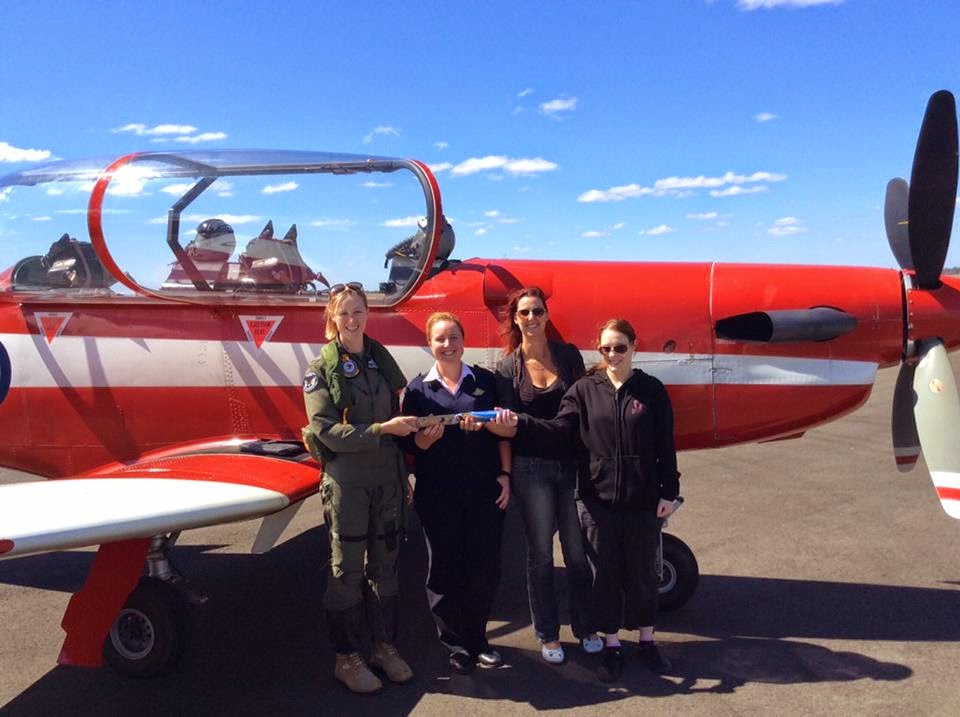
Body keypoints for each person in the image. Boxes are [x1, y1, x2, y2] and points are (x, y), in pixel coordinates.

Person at [491, 318, 680, 682]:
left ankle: (647, 639)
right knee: (603, 574)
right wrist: (523, 422)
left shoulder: (651, 390)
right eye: (606, 348)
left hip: (641, 500)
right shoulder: (584, 389)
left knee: (642, 573)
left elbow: (664, 446)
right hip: (596, 499)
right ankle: (611, 643)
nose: (613, 355)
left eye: (620, 347)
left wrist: (668, 493)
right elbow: (561, 430)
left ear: (634, 347)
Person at [302, 282, 420, 694]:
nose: (352, 320)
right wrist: (379, 430)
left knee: (385, 569)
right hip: (347, 482)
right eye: (344, 313)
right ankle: (347, 658)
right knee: (347, 572)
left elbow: (399, 414)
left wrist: (402, 472)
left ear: (368, 313)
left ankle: (384, 647)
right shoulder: (320, 371)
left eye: (358, 311)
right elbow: (326, 431)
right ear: (332, 319)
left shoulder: (379, 361)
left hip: (385, 479)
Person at [494, 287, 602, 664]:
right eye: (524, 312)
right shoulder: (507, 369)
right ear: (515, 319)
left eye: (537, 311)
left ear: (546, 315)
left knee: (576, 551)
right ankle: (548, 634)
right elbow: (506, 430)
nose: (531, 318)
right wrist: (507, 469)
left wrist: (528, 423)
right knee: (539, 553)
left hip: (572, 467)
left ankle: (586, 626)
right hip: (530, 470)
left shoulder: (569, 356)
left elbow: (584, 408)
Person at [401, 312, 512, 675]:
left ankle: (479, 640)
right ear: (430, 344)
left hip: (483, 490)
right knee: (443, 568)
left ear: (463, 341)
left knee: (483, 567)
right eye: (440, 339)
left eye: (453, 338)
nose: (447, 345)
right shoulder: (418, 390)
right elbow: (412, 446)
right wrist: (425, 439)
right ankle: (455, 645)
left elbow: (504, 433)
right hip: (438, 494)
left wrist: (506, 475)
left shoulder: (486, 381)